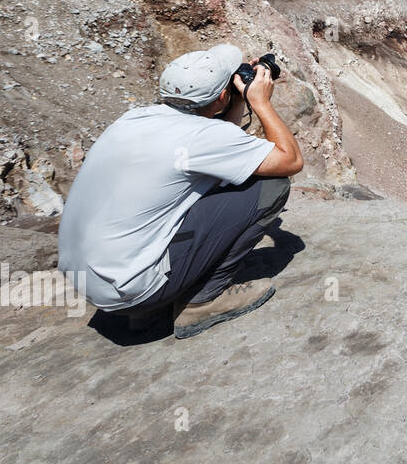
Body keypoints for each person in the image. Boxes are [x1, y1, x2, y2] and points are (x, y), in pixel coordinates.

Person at [58, 44, 304, 339]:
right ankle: (203, 301)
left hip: (90, 281)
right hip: (134, 289)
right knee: (271, 186)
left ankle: (147, 311)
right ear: (222, 95)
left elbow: (215, 151)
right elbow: (290, 161)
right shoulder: (203, 137)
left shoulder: (133, 119)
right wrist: (261, 102)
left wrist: (236, 101)